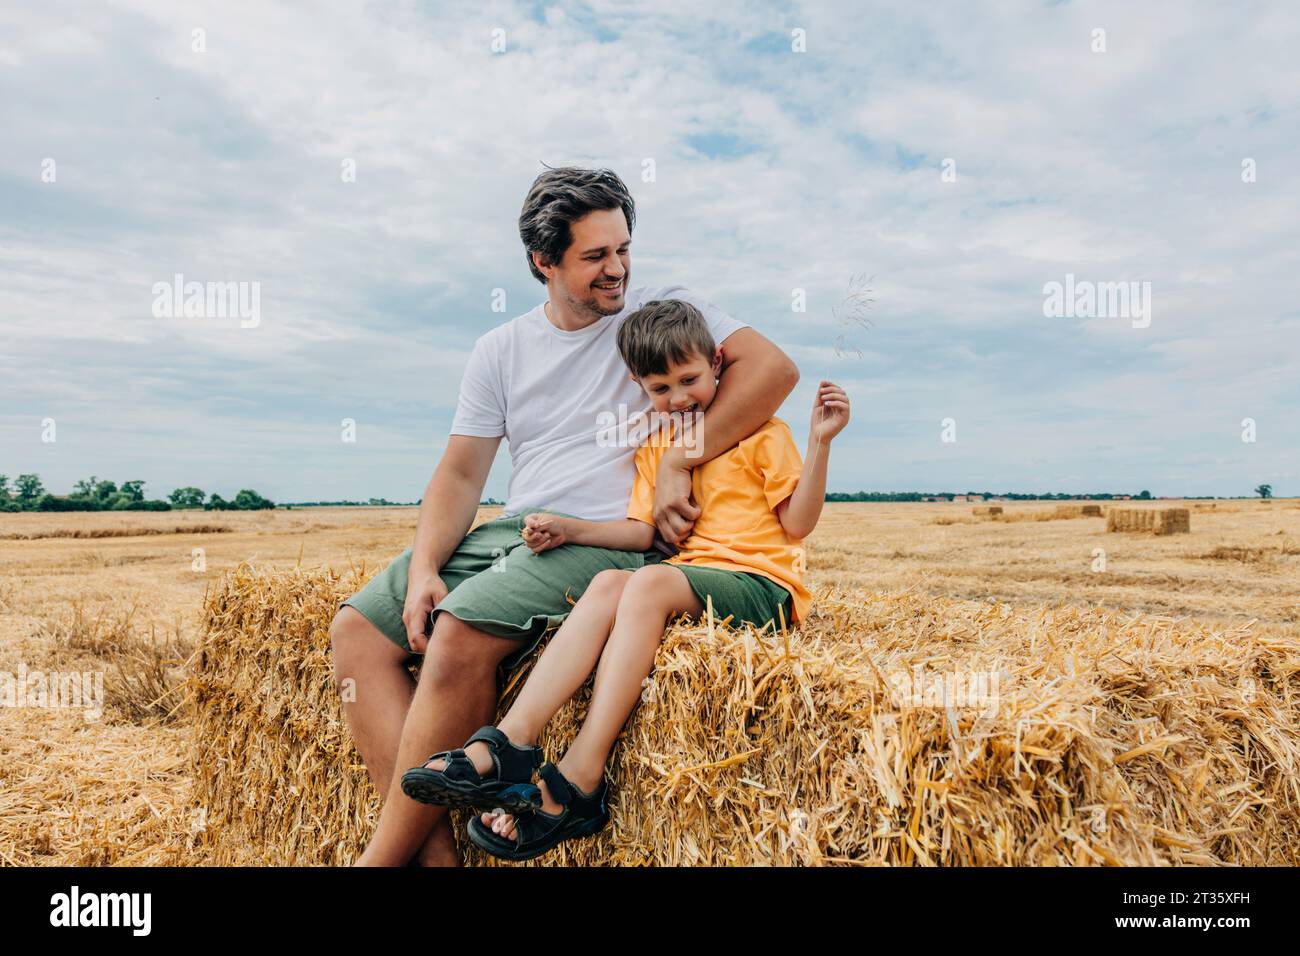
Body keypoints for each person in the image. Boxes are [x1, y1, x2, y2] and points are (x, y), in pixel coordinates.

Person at [333, 168, 800, 866]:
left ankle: (379, 861)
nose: (617, 269)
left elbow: (773, 370)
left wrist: (679, 461)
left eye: (623, 248)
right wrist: (427, 564)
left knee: (457, 633)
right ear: (542, 262)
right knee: (357, 633)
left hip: (610, 535)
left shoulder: (660, 317)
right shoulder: (500, 348)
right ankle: (434, 859)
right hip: (517, 529)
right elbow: (461, 472)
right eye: (594, 256)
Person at [399, 298, 850, 861]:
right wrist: (569, 530)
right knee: (612, 581)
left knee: (646, 584)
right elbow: (641, 536)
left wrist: (820, 444)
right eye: (659, 389)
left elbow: (798, 524)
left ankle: (582, 774)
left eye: (689, 380)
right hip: (692, 576)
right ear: (639, 386)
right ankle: (511, 741)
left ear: (717, 363)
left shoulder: (761, 433)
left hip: (764, 585)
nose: (678, 398)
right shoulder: (656, 447)